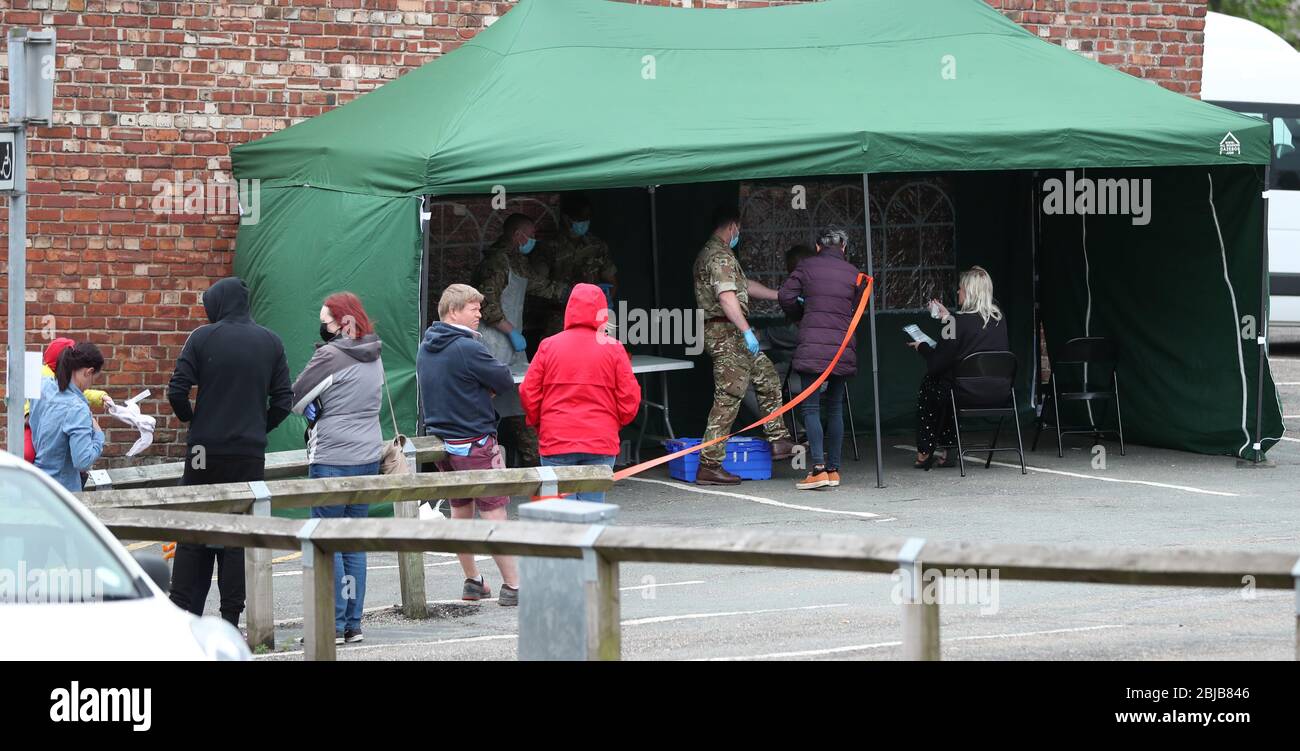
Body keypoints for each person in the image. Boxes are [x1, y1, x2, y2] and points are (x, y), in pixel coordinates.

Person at [166, 276, 293, 628]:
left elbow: (177, 391)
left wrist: (194, 421)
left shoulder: (203, 337)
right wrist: (256, 427)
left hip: (204, 451)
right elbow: (284, 401)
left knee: (195, 527)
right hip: (248, 453)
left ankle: (186, 612)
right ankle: (230, 617)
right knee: (237, 532)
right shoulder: (270, 341)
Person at [418, 284, 521, 606]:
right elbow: (503, 380)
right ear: (453, 311)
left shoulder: (425, 346)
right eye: (473, 308)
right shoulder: (467, 348)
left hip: (443, 444)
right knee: (494, 513)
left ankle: (473, 581)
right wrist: (483, 391)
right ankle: (513, 586)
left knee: (461, 512)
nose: (480, 314)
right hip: (476, 442)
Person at [290, 292, 384, 645]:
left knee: (328, 542)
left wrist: (314, 405)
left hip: (331, 457)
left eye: (326, 321)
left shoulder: (329, 355)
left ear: (339, 321)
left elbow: (295, 399)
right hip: (367, 456)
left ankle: (329, 623)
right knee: (352, 542)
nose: (323, 327)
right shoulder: (374, 353)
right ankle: (351, 624)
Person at [692, 205, 796, 485]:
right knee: (728, 397)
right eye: (739, 229)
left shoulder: (723, 255)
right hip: (725, 333)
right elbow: (727, 298)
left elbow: (744, 285)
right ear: (732, 227)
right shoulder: (718, 256)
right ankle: (709, 465)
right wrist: (747, 330)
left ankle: (778, 440)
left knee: (767, 376)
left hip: (732, 334)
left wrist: (780, 295)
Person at [519, 283, 641, 502]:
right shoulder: (613, 348)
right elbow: (630, 396)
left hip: (557, 438)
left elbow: (528, 391)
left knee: (560, 516)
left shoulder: (548, 345)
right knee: (592, 513)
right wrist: (613, 424)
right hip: (600, 439)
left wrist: (543, 424)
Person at [472, 213, 571, 468]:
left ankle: (536, 463)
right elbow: (487, 305)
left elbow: (538, 285)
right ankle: (479, 461)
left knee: (521, 406)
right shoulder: (496, 262)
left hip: (511, 347)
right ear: (518, 236)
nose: (534, 240)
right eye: (532, 235)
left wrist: (570, 291)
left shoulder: (518, 261)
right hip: (492, 344)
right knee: (484, 405)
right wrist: (511, 332)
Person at [778, 228, 864, 490]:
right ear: (844, 248)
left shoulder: (807, 267)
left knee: (811, 408)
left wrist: (801, 313)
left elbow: (785, 296)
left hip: (814, 346)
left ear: (817, 247)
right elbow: (857, 309)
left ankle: (817, 469)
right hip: (842, 347)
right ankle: (834, 470)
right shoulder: (854, 274)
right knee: (836, 407)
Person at [908, 266, 1009, 470]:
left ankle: (926, 449)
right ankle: (948, 446)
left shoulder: (955, 323)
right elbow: (967, 332)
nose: (957, 292)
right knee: (945, 384)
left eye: (961, 288)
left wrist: (922, 347)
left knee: (933, 383)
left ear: (970, 292)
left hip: (964, 394)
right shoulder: (1000, 320)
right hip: (999, 392)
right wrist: (947, 319)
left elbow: (937, 362)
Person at [741, 244, 814, 423]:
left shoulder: (807, 295)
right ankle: (792, 431)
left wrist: (762, 335)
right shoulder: (828, 291)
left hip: (810, 377)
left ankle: (784, 432)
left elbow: (796, 334)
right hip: (833, 374)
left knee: (745, 382)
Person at [531, 192, 618, 338]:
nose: (584, 222)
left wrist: (605, 303)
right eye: (580, 219)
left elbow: (611, 281)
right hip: (560, 319)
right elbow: (536, 283)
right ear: (566, 218)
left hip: (593, 319)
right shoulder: (549, 247)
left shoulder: (596, 246)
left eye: (587, 218)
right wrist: (564, 293)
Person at [28, 342, 106, 492]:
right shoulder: (77, 409)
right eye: (93, 379)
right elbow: (82, 461)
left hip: (37, 482)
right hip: (62, 491)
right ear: (88, 372)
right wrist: (98, 436)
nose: (90, 385)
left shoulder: (42, 386)